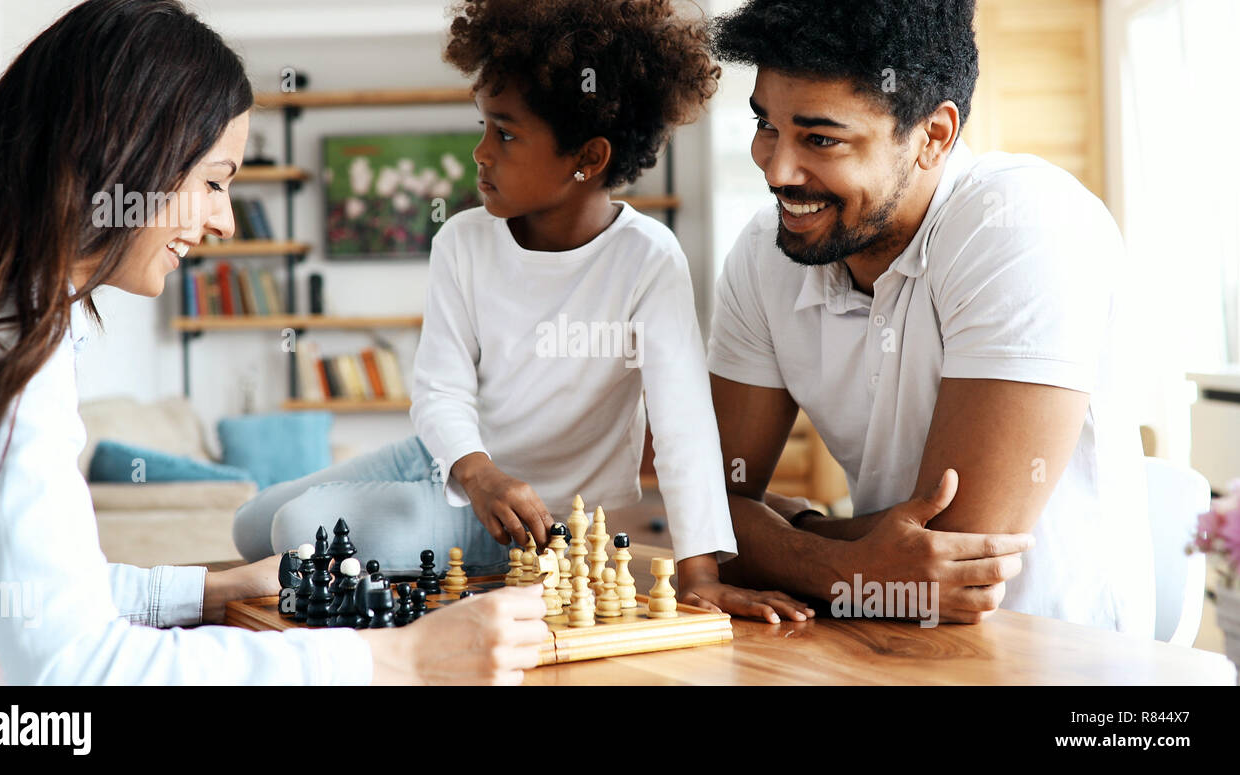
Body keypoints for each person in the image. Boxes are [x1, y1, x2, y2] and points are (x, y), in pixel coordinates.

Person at [0, 0, 549, 687]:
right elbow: (76, 665)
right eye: (212, 182)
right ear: (127, 151)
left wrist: (209, 589)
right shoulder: (6, 345)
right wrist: (395, 658)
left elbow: (30, 600)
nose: (224, 221)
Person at [233, 0, 813, 624]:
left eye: (505, 133)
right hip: (454, 463)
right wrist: (476, 470)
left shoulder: (648, 259)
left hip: (530, 516)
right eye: (484, 126)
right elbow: (439, 390)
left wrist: (701, 573)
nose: (481, 153)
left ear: (588, 159)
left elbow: (684, 427)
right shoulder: (462, 240)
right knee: (252, 525)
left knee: (295, 527)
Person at [705, 0, 1154, 633]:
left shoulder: (1025, 221)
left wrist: (783, 534)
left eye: (820, 138)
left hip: (1053, 660)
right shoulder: (763, 253)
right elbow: (703, 511)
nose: (777, 170)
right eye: (766, 125)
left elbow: (957, 556)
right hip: (874, 642)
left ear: (933, 135)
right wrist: (842, 559)